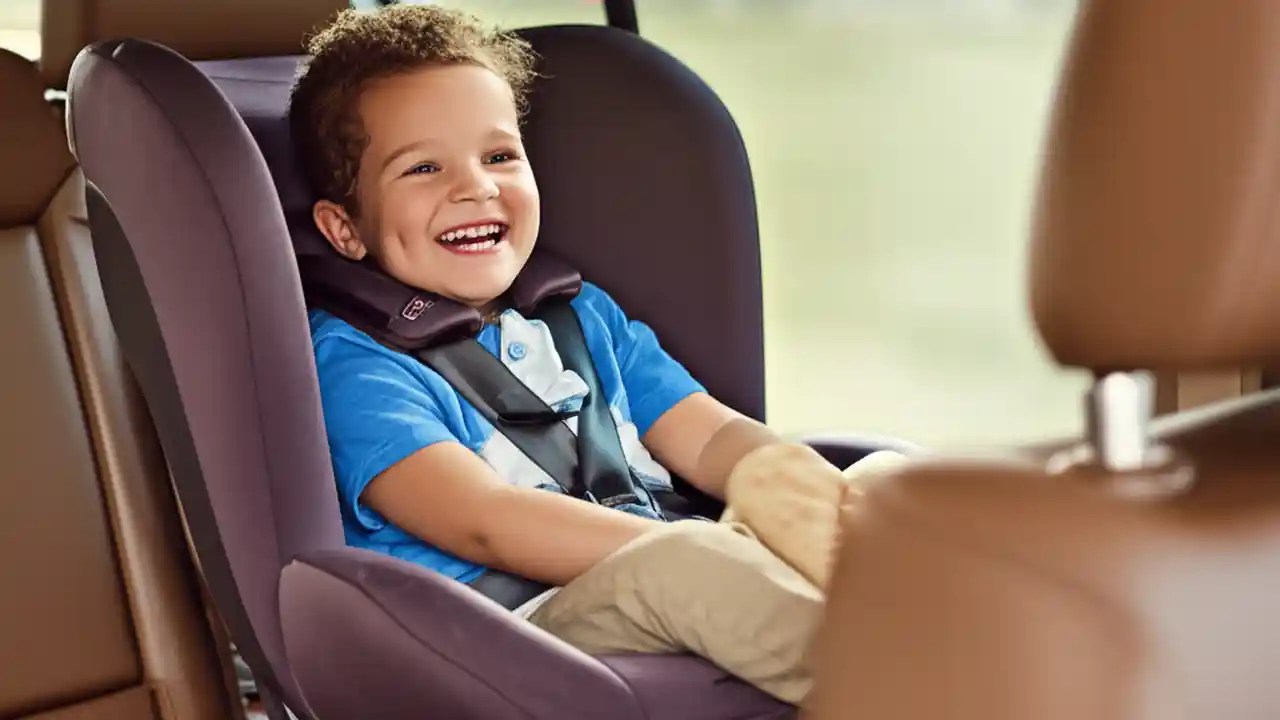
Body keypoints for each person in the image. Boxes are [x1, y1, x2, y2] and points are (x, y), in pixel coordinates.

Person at [289, 5, 904, 704]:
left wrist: (809, 499)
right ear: (345, 229)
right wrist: (715, 549)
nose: (476, 187)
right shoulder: (355, 366)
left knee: (892, 485)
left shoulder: (579, 317)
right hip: (517, 627)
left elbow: (709, 436)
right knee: (689, 564)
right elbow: (485, 522)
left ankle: (966, 622)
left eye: (499, 156)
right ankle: (927, 685)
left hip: (670, 557)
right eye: (424, 168)